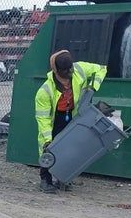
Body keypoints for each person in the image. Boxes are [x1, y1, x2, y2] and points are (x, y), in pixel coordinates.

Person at [35, 50, 107, 192]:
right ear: (56, 71)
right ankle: (45, 180)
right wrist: (47, 140)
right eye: (65, 71)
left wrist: (93, 87)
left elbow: (101, 69)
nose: (69, 73)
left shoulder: (79, 69)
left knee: (70, 148)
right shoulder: (44, 91)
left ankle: (64, 178)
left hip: (72, 115)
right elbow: (43, 119)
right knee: (49, 149)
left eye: (70, 69)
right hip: (55, 118)